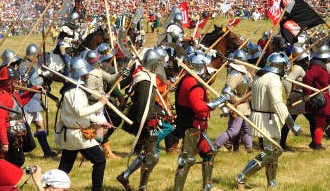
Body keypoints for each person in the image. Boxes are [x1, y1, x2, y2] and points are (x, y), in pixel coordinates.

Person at [235, 52, 300, 190]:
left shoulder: (260, 76)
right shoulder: (273, 79)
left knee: (273, 152)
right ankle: (242, 176)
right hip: (267, 119)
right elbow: (277, 103)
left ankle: (271, 182)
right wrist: (292, 125)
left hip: (262, 116)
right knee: (270, 153)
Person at [172, 52, 229, 191]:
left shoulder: (189, 78)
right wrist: (217, 102)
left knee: (209, 152)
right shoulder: (193, 83)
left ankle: (207, 186)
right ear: (200, 65)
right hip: (192, 126)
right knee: (186, 160)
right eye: (205, 65)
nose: (207, 67)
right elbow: (198, 107)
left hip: (196, 125)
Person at [54, 57, 108, 191]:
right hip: (77, 134)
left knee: (64, 167)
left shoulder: (76, 89)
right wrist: (100, 104)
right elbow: (80, 112)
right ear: (81, 73)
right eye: (86, 72)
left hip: (74, 133)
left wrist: (101, 121)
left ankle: (52, 187)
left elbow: (85, 113)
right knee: (100, 160)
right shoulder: (75, 91)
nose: (88, 74)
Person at [115, 48, 161, 191]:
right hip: (146, 121)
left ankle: (126, 176)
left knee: (148, 154)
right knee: (152, 156)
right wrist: (149, 122)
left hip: (148, 118)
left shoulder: (145, 75)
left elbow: (149, 102)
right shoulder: (145, 80)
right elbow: (143, 106)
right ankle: (142, 187)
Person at [214, 49, 253, 153]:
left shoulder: (245, 73)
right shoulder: (235, 74)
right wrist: (236, 102)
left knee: (247, 130)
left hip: (245, 106)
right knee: (233, 131)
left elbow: (251, 86)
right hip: (237, 106)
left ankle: (249, 149)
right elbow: (226, 91)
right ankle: (214, 145)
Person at [302, 45, 330, 150]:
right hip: (318, 98)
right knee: (320, 122)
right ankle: (316, 144)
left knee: (325, 120)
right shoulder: (316, 67)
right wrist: (307, 93)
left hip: (322, 97)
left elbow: (328, 78)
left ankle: (315, 142)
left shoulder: (321, 67)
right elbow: (306, 79)